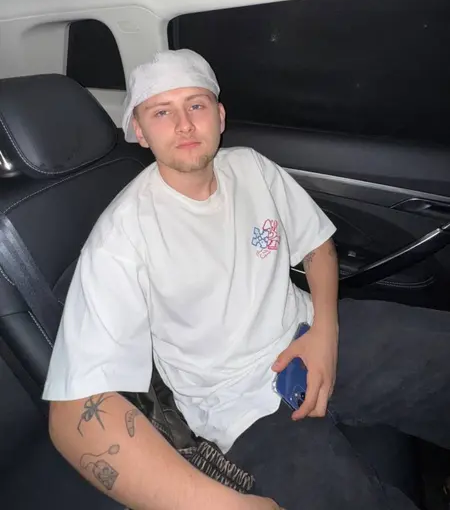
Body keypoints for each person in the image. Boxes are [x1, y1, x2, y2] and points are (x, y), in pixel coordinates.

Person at [44, 49, 450, 510]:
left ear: (219, 116)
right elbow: (74, 415)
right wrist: (225, 506)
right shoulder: (120, 238)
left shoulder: (251, 168)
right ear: (139, 130)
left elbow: (317, 247)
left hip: (307, 330)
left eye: (196, 105)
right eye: (162, 112)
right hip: (238, 407)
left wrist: (325, 332)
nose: (184, 124)